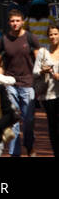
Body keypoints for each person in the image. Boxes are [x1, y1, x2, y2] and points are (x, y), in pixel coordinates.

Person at [0, 6, 39, 156]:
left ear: (22, 22)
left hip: (27, 83)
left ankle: (29, 144)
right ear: (8, 23)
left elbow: (38, 61)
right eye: (12, 21)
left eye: (17, 21)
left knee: (28, 120)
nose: (15, 23)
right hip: (10, 84)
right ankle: (15, 153)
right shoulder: (3, 40)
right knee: (13, 121)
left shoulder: (30, 38)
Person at [33, 22, 59, 158]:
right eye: (50, 34)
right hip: (49, 95)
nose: (53, 37)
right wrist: (43, 71)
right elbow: (35, 73)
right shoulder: (43, 52)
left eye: (55, 34)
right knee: (53, 127)